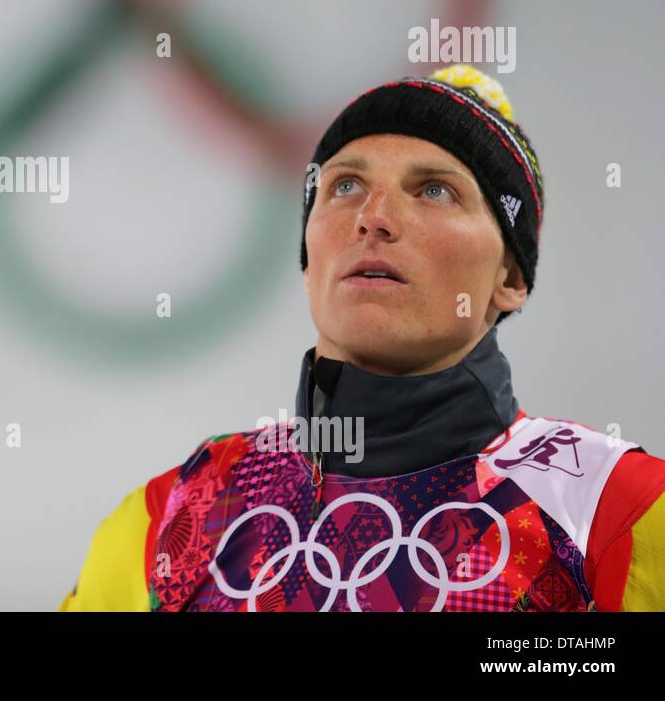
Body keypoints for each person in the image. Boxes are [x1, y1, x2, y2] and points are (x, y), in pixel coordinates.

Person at [58, 64, 665, 612]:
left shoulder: (617, 512)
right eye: (345, 185)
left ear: (509, 276)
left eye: (435, 190)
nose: (372, 216)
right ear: (307, 257)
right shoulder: (170, 515)